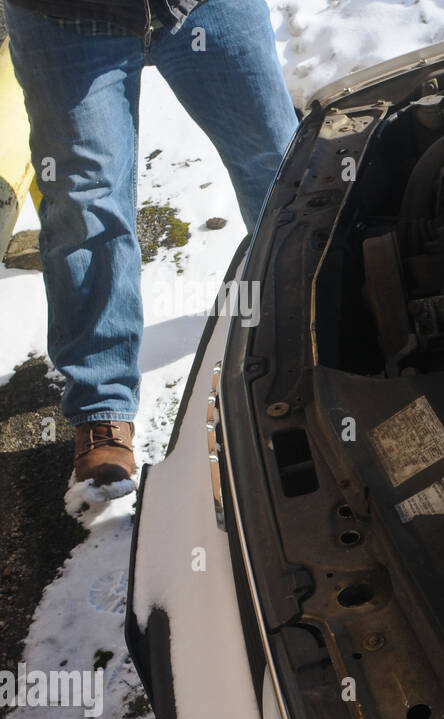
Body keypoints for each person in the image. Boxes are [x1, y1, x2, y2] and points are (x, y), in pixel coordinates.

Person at [5, 0, 298, 492]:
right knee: (85, 203)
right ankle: (102, 406)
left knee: (279, 163)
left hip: (204, 6)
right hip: (63, 16)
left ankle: (308, 327)